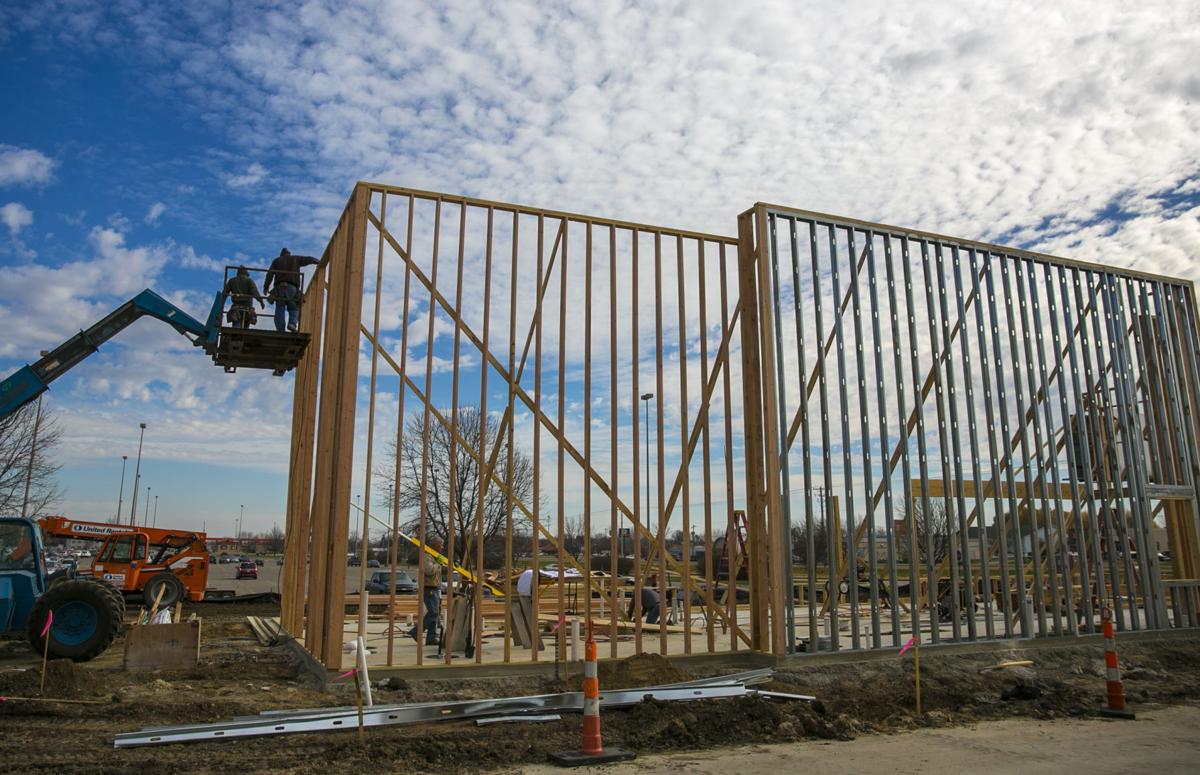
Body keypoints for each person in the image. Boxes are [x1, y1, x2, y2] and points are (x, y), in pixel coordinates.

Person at [263, 247, 319, 332]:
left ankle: (280, 330)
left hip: (279, 288)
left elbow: (269, 275)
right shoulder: (295, 258)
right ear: (289, 254)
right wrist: (317, 261)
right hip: (292, 288)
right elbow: (307, 259)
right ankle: (292, 324)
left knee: (280, 309)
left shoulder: (276, 261)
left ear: (281, 254)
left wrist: (266, 287)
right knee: (294, 307)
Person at [409, 535, 444, 646]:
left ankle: (431, 637)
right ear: (434, 545)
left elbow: (438, 572)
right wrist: (438, 563)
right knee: (433, 612)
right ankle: (416, 632)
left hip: (435, 588)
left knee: (435, 613)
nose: (442, 547)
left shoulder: (435, 557)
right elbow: (429, 571)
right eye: (440, 545)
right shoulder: (427, 557)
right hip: (428, 588)